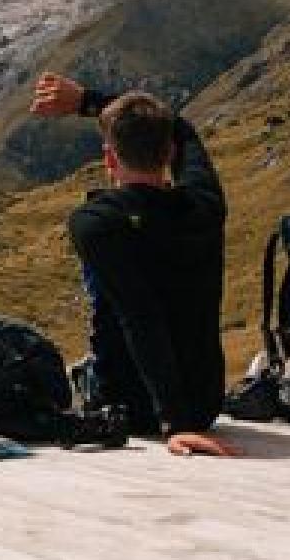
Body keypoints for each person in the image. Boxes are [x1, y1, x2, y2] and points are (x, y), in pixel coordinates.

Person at [29, 73, 239, 458]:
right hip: (205, 400)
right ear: (170, 153)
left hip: (132, 407)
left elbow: (140, 317)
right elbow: (182, 128)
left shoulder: (94, 222)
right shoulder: (205, 206)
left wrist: (174, 424)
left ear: (109, 157)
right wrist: (87, 100)